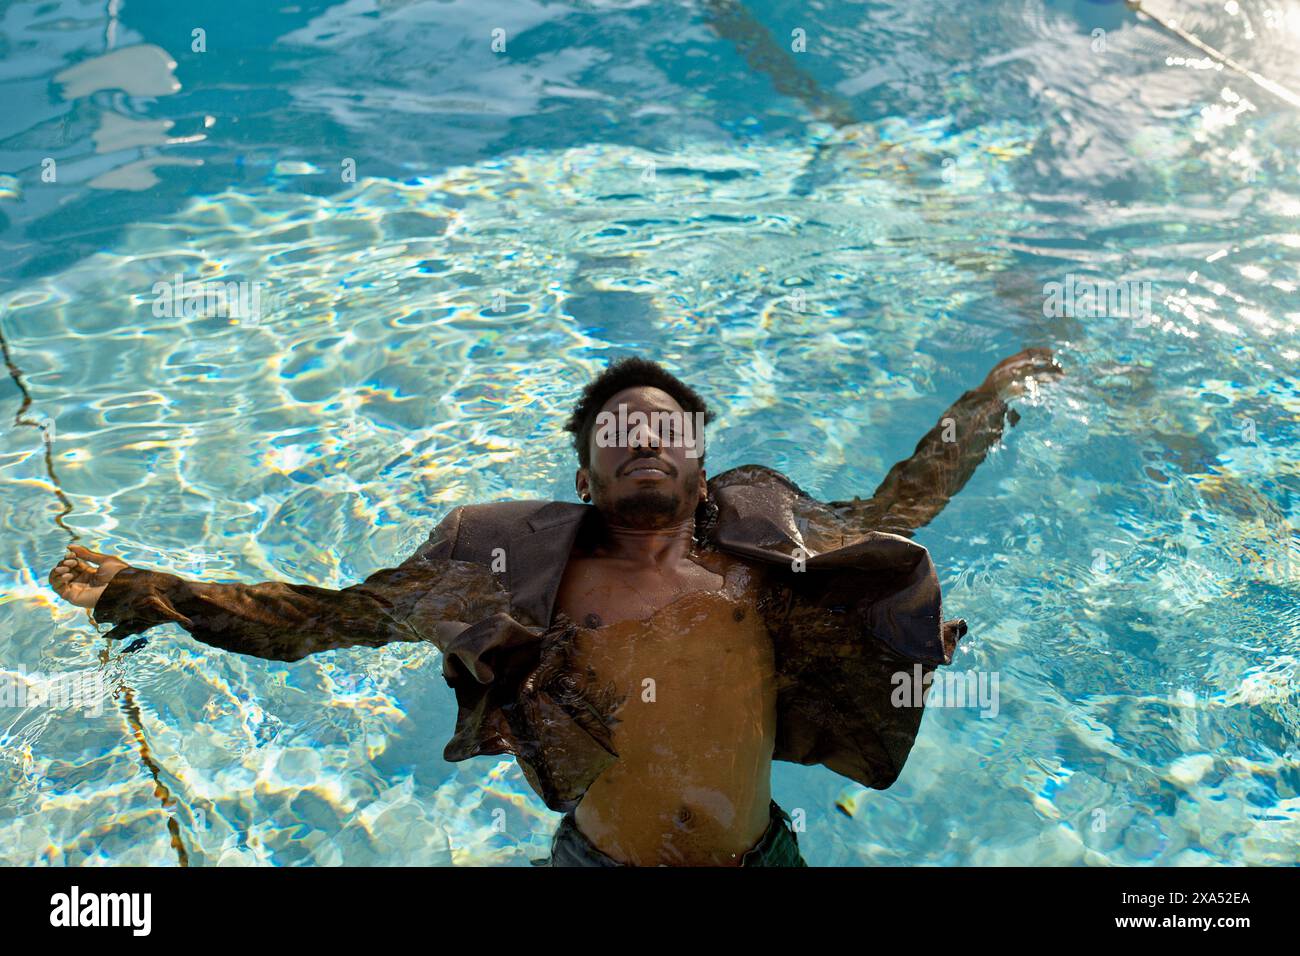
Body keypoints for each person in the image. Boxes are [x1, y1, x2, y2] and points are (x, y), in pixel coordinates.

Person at [48, 350, 1061, 866]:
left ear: (702, 463)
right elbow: (325, 618)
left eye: (664, 427)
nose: (641, 438)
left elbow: (900, 504)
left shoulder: (763, 560)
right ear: (585, 476)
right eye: (617, 431)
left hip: (760, 855)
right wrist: (154, 593)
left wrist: (983, 407)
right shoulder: (509, 575)